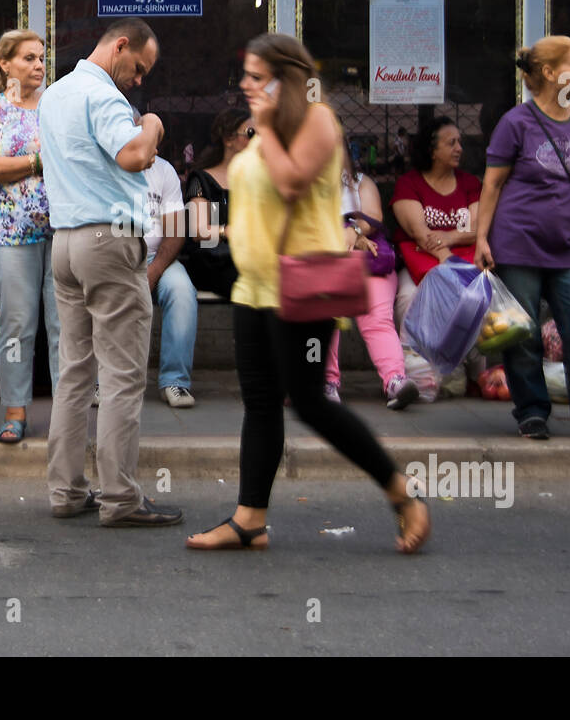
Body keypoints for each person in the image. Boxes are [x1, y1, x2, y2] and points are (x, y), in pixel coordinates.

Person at [186, 33, 428, 553]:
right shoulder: (263, 130)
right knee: (261, 404)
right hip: (253, 288)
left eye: (256, 76)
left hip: (303, 287)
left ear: (286, 76)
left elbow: (293, 183)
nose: (246, 86)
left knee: (311, 404)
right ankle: (250, 519)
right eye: (244, 75)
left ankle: (402, 492)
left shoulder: (315, 120)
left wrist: (268, 126)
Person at [39, 17, 183, 527]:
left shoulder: (53, 95)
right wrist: (154, 123)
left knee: (74, 373)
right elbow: (135, 155)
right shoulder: (103, 98)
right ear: (120, 46)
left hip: (65, 245)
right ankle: (120, 498)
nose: (139, 80)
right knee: (122, 375)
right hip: (110, 238)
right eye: (139, 68)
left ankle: (66, 491)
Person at [475, 36, 570, 444]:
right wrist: (482, 239)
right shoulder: (516, 122)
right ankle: (532, 412)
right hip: (518, 243)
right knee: (522, 334)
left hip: (569, 248)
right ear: (552, 73)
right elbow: (493, 184)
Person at [0, 29, 60, 443]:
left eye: (41, 58)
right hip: (10, 233)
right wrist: (40, 160)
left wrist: (17, 163)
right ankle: (15, 411)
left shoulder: (58, 108)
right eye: (28, 58)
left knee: (65, 324)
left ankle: (67, 412)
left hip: (63, 229)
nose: (39, 65)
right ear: (5, 63)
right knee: (18, 323)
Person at [324, 133, 418, 410]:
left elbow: (373, 216)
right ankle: (326, 382)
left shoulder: (361, 182)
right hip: (327, 265)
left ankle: (395, 381)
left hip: (368, 263)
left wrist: (355, 232)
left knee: (377, 319)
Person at [390, 115, 481, 287]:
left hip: (467, 261)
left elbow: (477, 229)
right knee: (409, 298)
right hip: (422, 261)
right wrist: (447, 259)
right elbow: (419, 231)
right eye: (451, 143)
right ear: (432, 151)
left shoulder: (470, 183)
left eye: (459, 142)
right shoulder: (409, 184)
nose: (459, 148)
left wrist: (449, 237)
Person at [141, 145, 198, 408]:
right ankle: (101, 382)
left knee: (182, 291)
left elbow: (176, 230)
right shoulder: (106, 164)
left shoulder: (163, 170)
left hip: (156, 256)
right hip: (115, 256)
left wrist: (154, 270)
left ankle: (175, 381)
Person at [180, 107, 250, 300]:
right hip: (216, 261)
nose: (257, 140)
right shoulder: (202, 179)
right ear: (228, 139)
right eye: (251, 133)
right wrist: (230, 232)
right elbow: (199, 231)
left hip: (249, 256)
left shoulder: (258, 180)